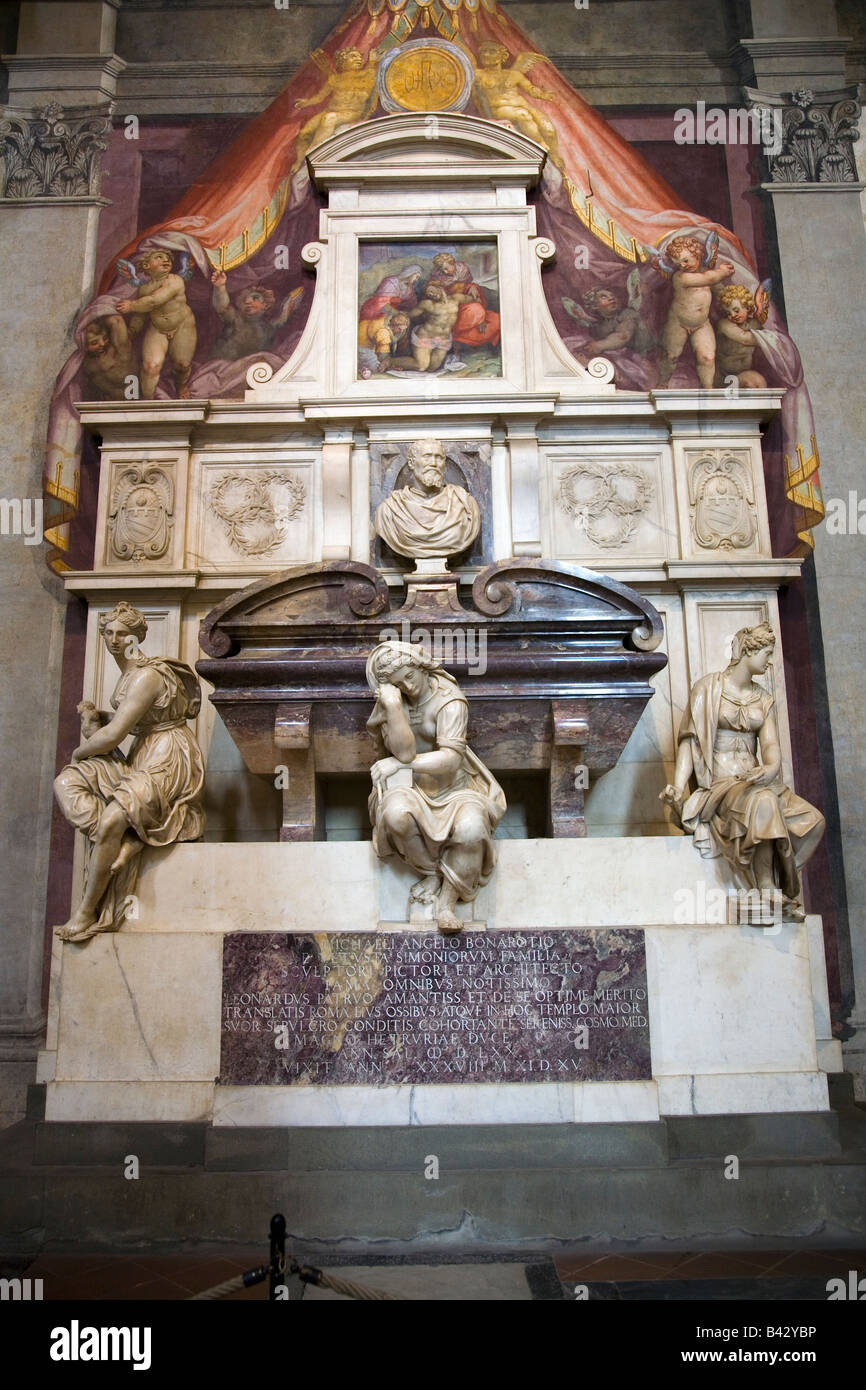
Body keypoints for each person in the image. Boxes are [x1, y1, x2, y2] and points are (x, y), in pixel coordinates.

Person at [53, 602, 205, 943]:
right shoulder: (128, 675)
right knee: (66, 781)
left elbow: (115, 736)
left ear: (137, 638)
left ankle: (86, 910)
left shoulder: (147, 676)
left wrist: (79, 751)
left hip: (169, 758)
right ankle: (128, 839)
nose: (114, 640)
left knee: (109, 818)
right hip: (142, 753)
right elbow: (120, 731)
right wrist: (97, 723)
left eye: (123, 634)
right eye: (108, 632)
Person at [660, 623, 824, 920]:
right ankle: (764, 884)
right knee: (762, 802)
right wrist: (677, 785)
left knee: (813, 822)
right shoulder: (708, 689)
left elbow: (771, 744)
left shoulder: (763, 699)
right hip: (722, 785)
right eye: (767, 652)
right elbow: (690, 742)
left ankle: (779, 876)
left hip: (757, 778)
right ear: (748, 651)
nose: (770, 660)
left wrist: (771, 767)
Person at [366, 641, 506, 936]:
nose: (407, 686)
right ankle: (434, 874)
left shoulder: (450, 700)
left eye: (409, 676)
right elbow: (403, 753)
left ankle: (446, 902)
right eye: (397, 683)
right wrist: (392, 706)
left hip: (457, 789)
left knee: (470, 828)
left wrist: (401, 766)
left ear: (421, 667)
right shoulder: (395, 701)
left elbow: (451, 760)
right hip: (412, 789)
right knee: (394, 815)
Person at [373, 437, 480, 561]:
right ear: (412, 463)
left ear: (444, 465)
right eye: (427, 456)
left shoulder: (465, 504)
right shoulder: (389, 510)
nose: (433, 463)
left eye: (439, 457)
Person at [115, 248, 197, 399]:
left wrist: (131, 305)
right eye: (159, 257)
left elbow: (154, 300)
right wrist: (132, 331)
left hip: (182, 325)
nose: (165, 260)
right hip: (158, 328)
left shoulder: (174, 280)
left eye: (168, 258)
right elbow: (140, 316)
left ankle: (181, 385)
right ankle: (147, 400)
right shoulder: (144, 289)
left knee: (183, 364)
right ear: (146, 266)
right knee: (151, 367)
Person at [656, 235, 734, 389]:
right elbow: (708, 279)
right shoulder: (680, 277)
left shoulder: (705, 272)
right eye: (678, 263)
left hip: (701, 324)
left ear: (696, 253)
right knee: (670, 356)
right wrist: (722, 272)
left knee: (707, 358)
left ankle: (708, 388)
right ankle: (663, 383)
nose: (683, 265)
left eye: (686, 260)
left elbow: (719, 290)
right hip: (678, 323)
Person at [713, 284, 769, 389]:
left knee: (758, 383)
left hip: (745, 371)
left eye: (736, 310)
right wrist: (769, 339)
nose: (733, 315)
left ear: (747, 307)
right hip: (725, 375)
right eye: (728, 313)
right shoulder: (724, 324)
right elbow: (745, 339)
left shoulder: (754, 324)